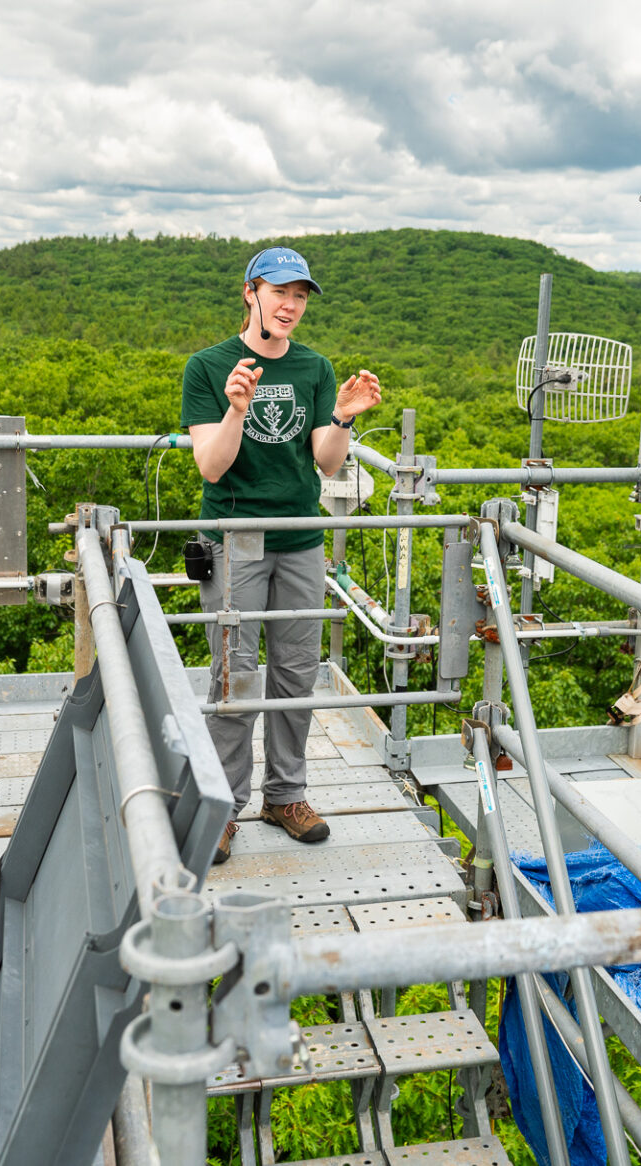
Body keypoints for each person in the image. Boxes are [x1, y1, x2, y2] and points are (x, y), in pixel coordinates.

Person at [181, 247, 381, 864]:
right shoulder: (208, 366)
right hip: (234, 536)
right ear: (251, 293)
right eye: (280, 292)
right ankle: (222, 807)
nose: (291, 305)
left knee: (296, 674)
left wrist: (343, 416)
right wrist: (237, 407)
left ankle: (285, 795)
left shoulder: (315, 368)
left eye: (300, 296)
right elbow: (211, 465)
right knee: (234, 676)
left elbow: (326, 462)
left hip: (300, 536)